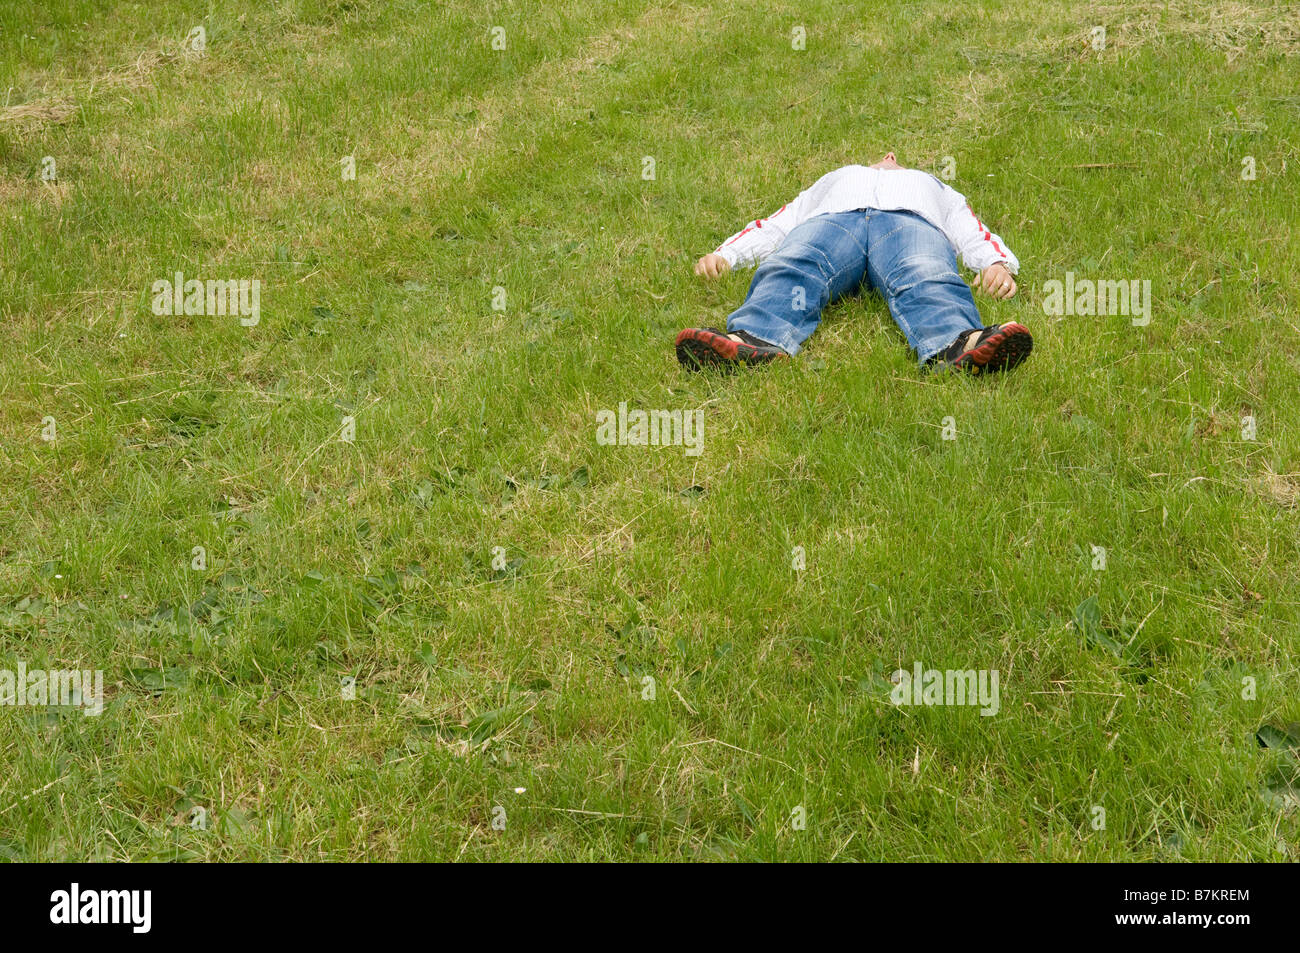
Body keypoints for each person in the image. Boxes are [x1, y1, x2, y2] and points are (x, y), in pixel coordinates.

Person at [675, 153, 1032, 374]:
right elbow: (781, 222)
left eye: (896, 157)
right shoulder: (836, 178)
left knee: (925, 270)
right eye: (884, 156)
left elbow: (968, 226)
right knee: (797, 262)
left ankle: (959, 343)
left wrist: (996, 262)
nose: (890, 157)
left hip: (908, 223)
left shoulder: (932, 185)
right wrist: (727, 253)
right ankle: (753, 338)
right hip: (832, 223)